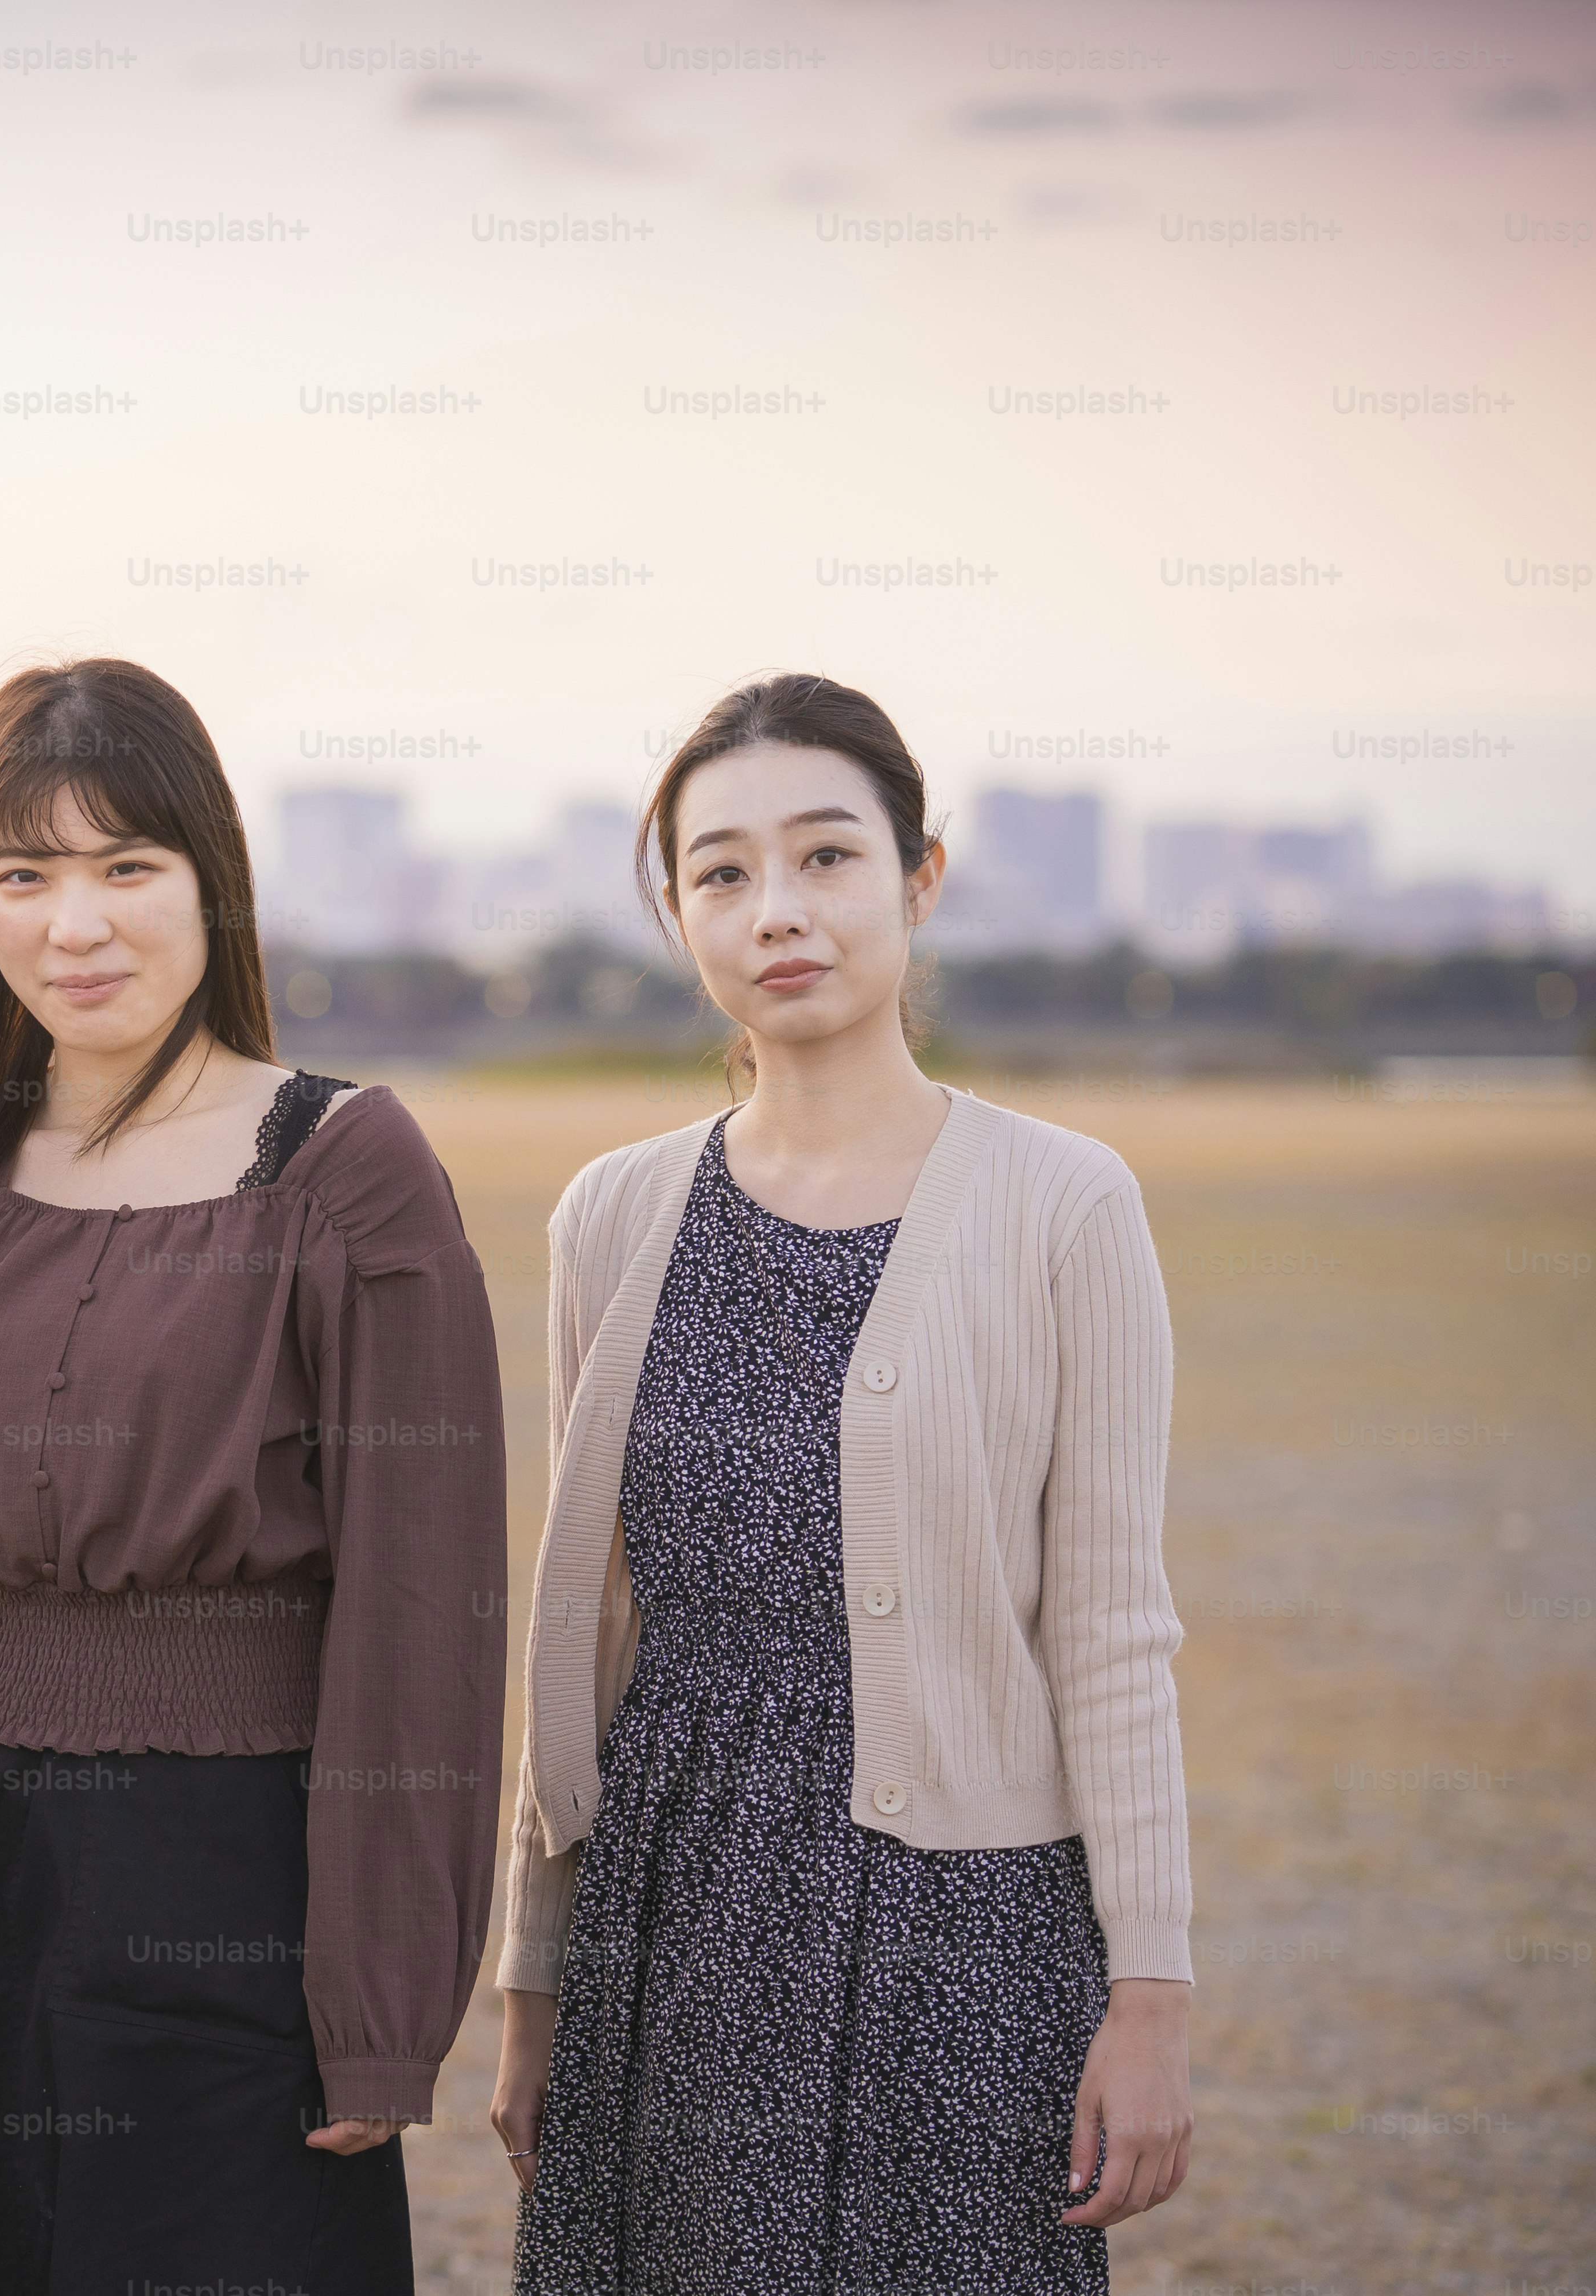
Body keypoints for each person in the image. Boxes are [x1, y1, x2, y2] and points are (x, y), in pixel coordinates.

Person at [0, 658, 509, 2291]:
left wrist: (379, 2004)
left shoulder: (345, 1170)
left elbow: (420, 1608)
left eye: (128, 866)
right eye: (25, 875)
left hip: (238, 1885)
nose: (78, 925)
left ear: (213, 885)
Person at [487, 673, 1195, 2291]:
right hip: (671, 1909)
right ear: (680, 915)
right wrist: (535, 1981)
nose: (777, 911)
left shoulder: (1066, 1205)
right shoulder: (612, 1214)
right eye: (722, 873)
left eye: (827, 856)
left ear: (919, 878)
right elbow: (582, 1632)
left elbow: (1110, 1630)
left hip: (969, 1930)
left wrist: (1151, 1994)